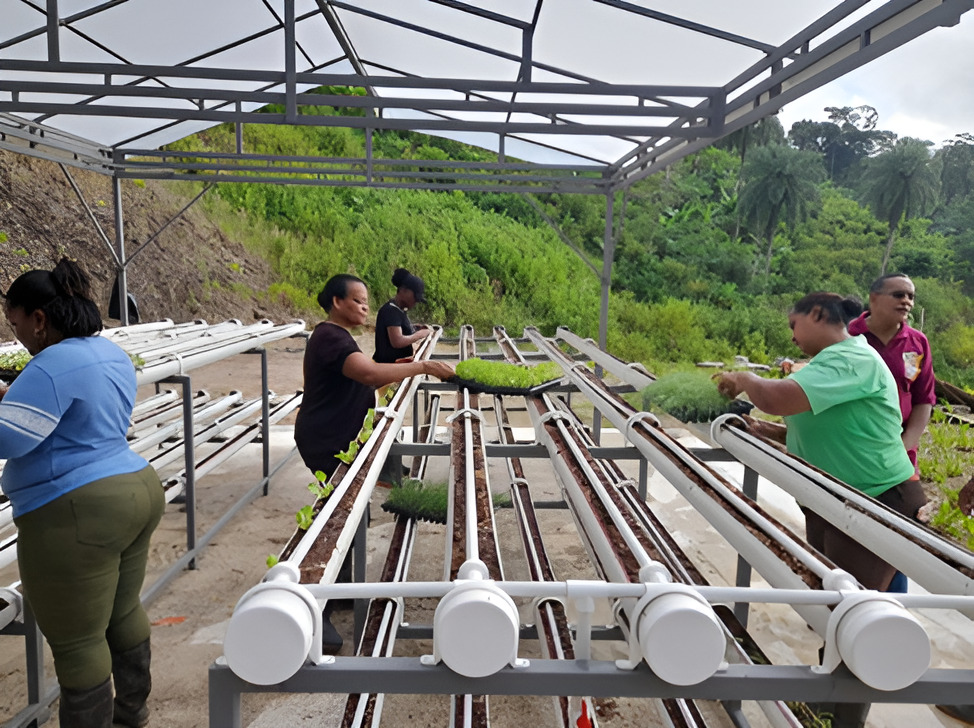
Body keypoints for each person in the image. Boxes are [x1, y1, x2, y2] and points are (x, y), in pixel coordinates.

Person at [0, 259, 164, 728]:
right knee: (122, 611)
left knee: (79, 643)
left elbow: (8, 441)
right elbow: (75, 415)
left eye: (15, 324)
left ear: (39, 318)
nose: (17, 336)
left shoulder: (49, 365)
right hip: (134, 488)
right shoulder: (108, 352)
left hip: (76, 510)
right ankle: (131, 714)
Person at [715, 292, 926, 592]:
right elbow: (829, 428)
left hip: (876, 497)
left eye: (794, 325)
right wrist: (765, 429)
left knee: (849, 604)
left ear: (816, 314)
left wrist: (745, 379)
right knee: (839, 596)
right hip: (834, 495)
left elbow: (776, 399)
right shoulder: (827, 362)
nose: (792, 337)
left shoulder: (852, 360)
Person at [292, 274, 454, 653]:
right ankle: (313, 608)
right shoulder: (330, 337)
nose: (365, 307)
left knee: (352, 515)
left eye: (366, 300)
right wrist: (422, 367)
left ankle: (338, 589)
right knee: (335, 518)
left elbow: (362, 380)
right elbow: (367, 373)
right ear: (336, 302)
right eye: (357, 300)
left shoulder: (338, 337)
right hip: (326, 440)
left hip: (339, 437)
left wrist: (397, 372)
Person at [848, 273, 935, 595]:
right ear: (874, 298)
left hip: (899, 457)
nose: (907, 301)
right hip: (853, 453)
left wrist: (903, 447)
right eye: (898, 294)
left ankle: (893, 608)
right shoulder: (848, 336)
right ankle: (849, 607)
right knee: (851, 531)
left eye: (911, 296)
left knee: (898, 536)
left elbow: (924, 400)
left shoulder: (917, 343)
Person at [373, 267, 431, 364]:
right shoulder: (391, 311)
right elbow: (397, 341)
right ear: (403, 290)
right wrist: (419, 335)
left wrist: (414, 328)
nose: (415, 302)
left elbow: (399, 328)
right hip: (389, 367)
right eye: (415, 297)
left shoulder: (398, 310)